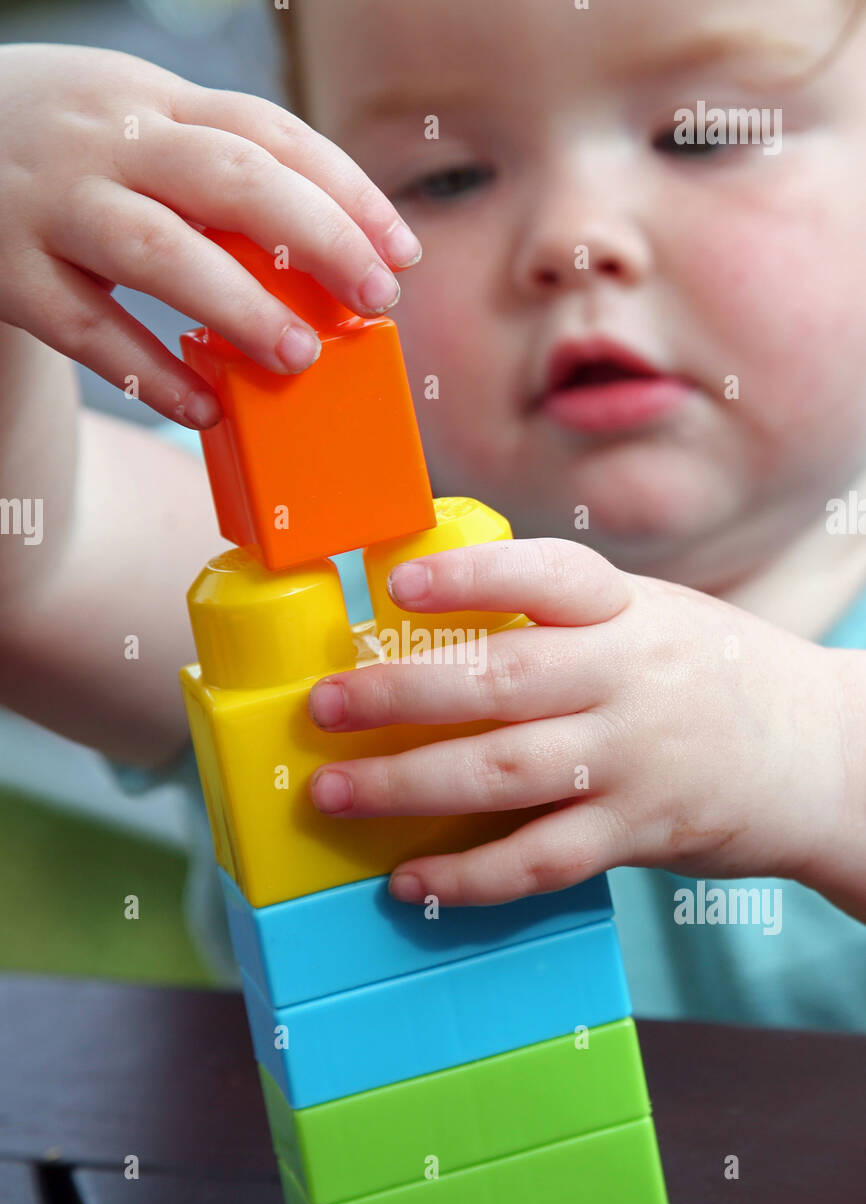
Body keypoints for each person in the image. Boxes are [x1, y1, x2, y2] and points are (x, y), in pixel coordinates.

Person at [0, 0, 864, 1024]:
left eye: (699, 137)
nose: (571, 240)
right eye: (444, 176)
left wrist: (802, 748)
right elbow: (34, 566)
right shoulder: (313, 575)